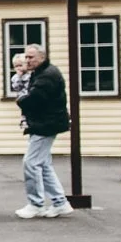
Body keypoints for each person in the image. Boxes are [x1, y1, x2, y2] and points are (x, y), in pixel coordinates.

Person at [16, 43, 71, 217]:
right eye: (26, 57)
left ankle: (36, 203)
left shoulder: (46, 76)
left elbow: (34, 99)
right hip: (46, 123)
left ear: (42, 57)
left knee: (31, 163)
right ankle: (59, 202)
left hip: (45, 124)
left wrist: (21, 100)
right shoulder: (43, 73)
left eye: (31, 57)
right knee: (43, 164)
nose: (27, 60)